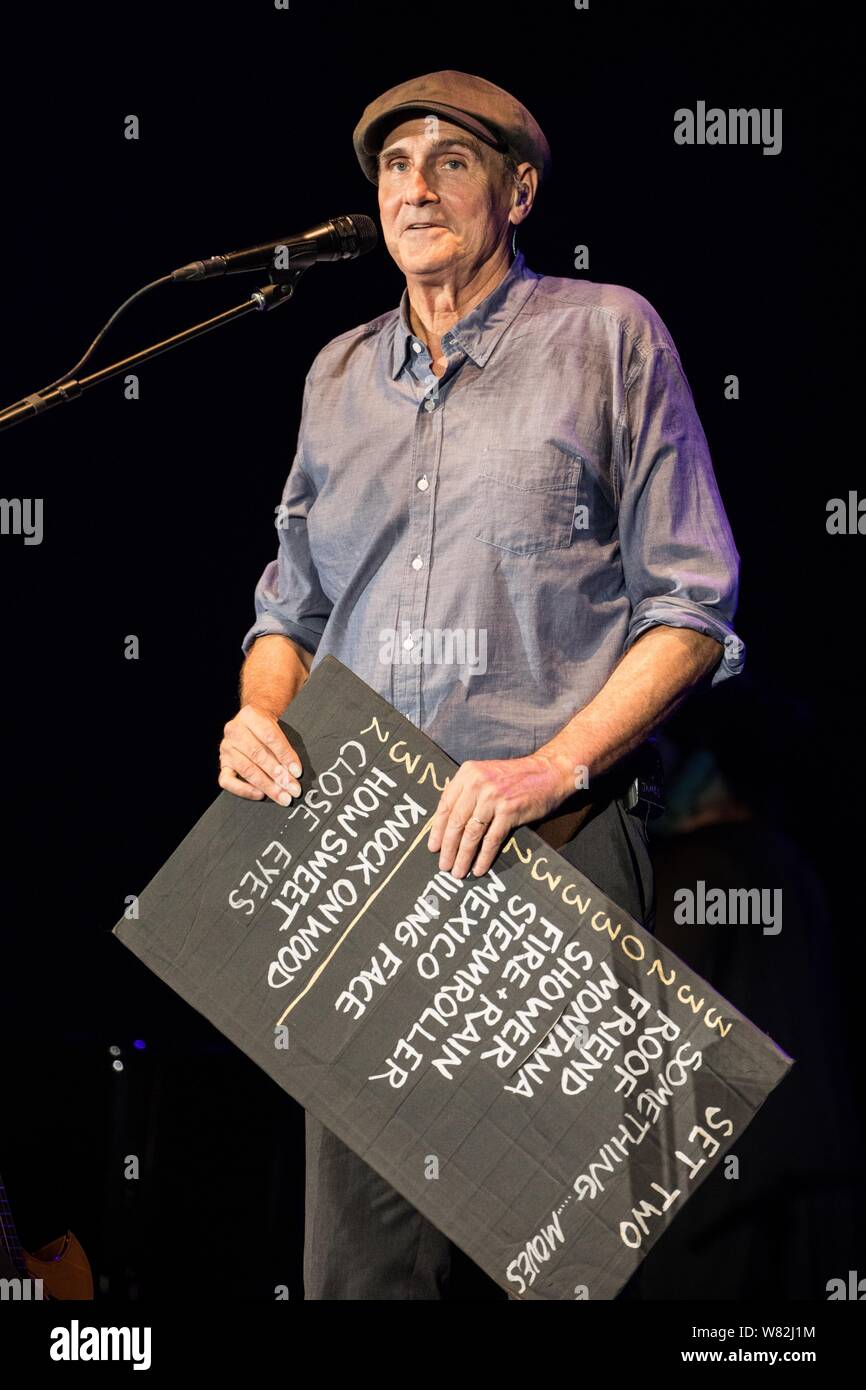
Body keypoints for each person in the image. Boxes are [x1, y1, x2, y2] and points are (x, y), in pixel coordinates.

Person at [217, 70, 744, 1300]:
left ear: (517, 190)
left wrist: (554, 763)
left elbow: (689, 607)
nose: (415, 186)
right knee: (358, 1268)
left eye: (452, 160)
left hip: (551, 834)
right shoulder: (336, 374)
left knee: (556, 1260)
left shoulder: (608, 333)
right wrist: (256, 708)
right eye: (395, 165)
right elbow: (284, 610)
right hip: (362, 855)